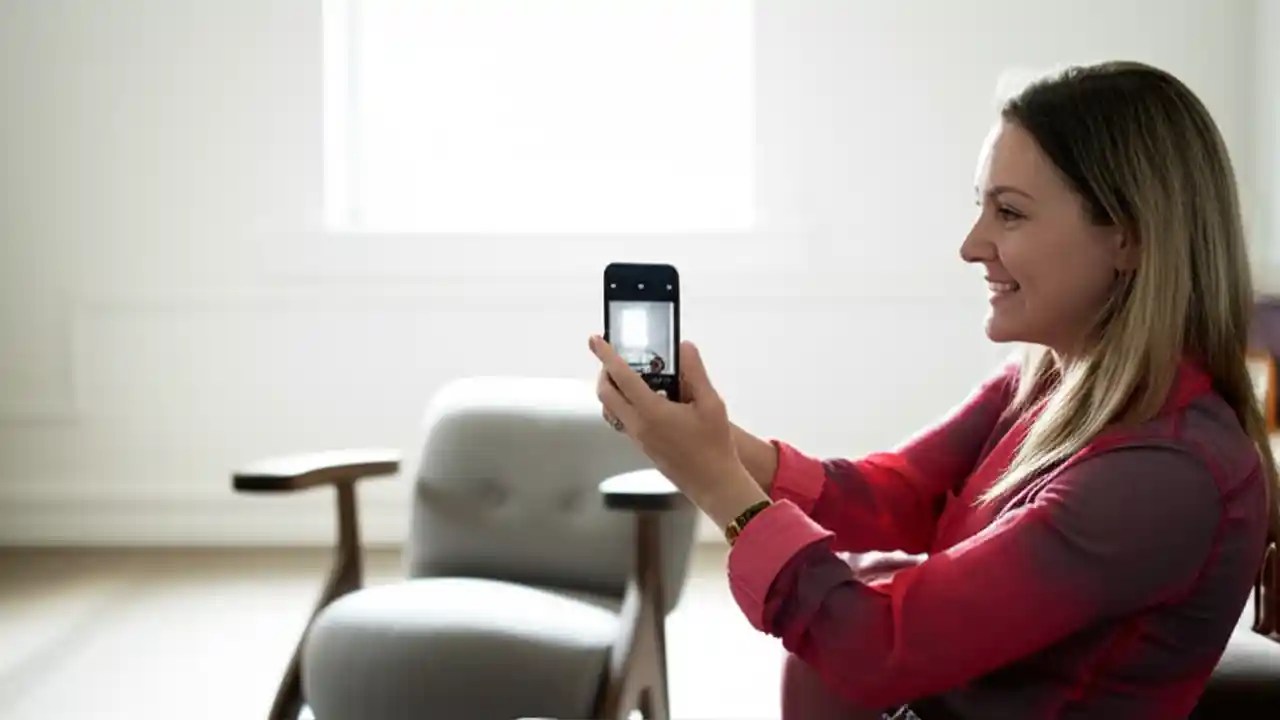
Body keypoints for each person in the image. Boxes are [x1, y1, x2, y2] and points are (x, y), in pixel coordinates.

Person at [588, 60, 1279, 719]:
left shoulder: (1164, 476)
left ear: (1127, 238)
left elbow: (876, 648)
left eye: (1009, 213)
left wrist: (716, 483)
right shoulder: (1048, 381)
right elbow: (892, 494)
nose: (971, 244)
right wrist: (708, 440)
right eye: (981, 207)